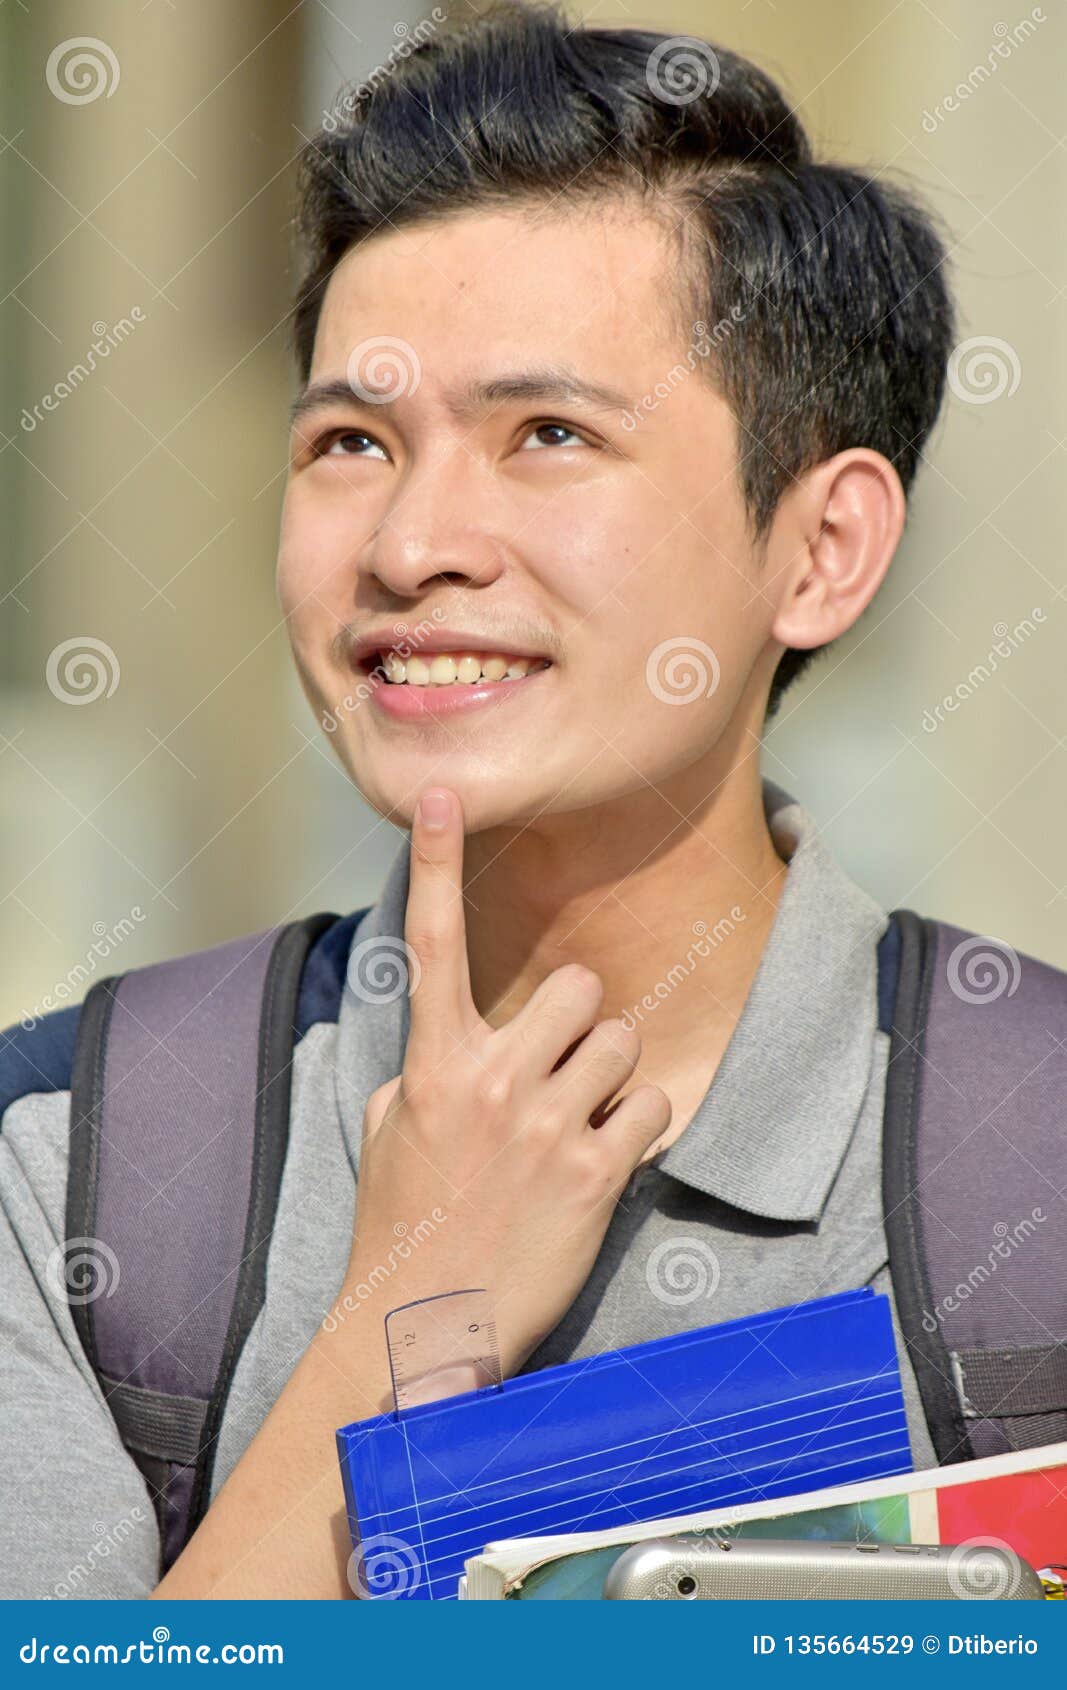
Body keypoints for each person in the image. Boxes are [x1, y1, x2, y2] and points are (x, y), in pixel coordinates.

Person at [2, 2, 990, 1598]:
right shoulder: (65, 1170)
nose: (411, 544)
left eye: (547, 434)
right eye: (351, 439)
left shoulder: (1023, 1172)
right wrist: (416, 1295)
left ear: (821, 549)